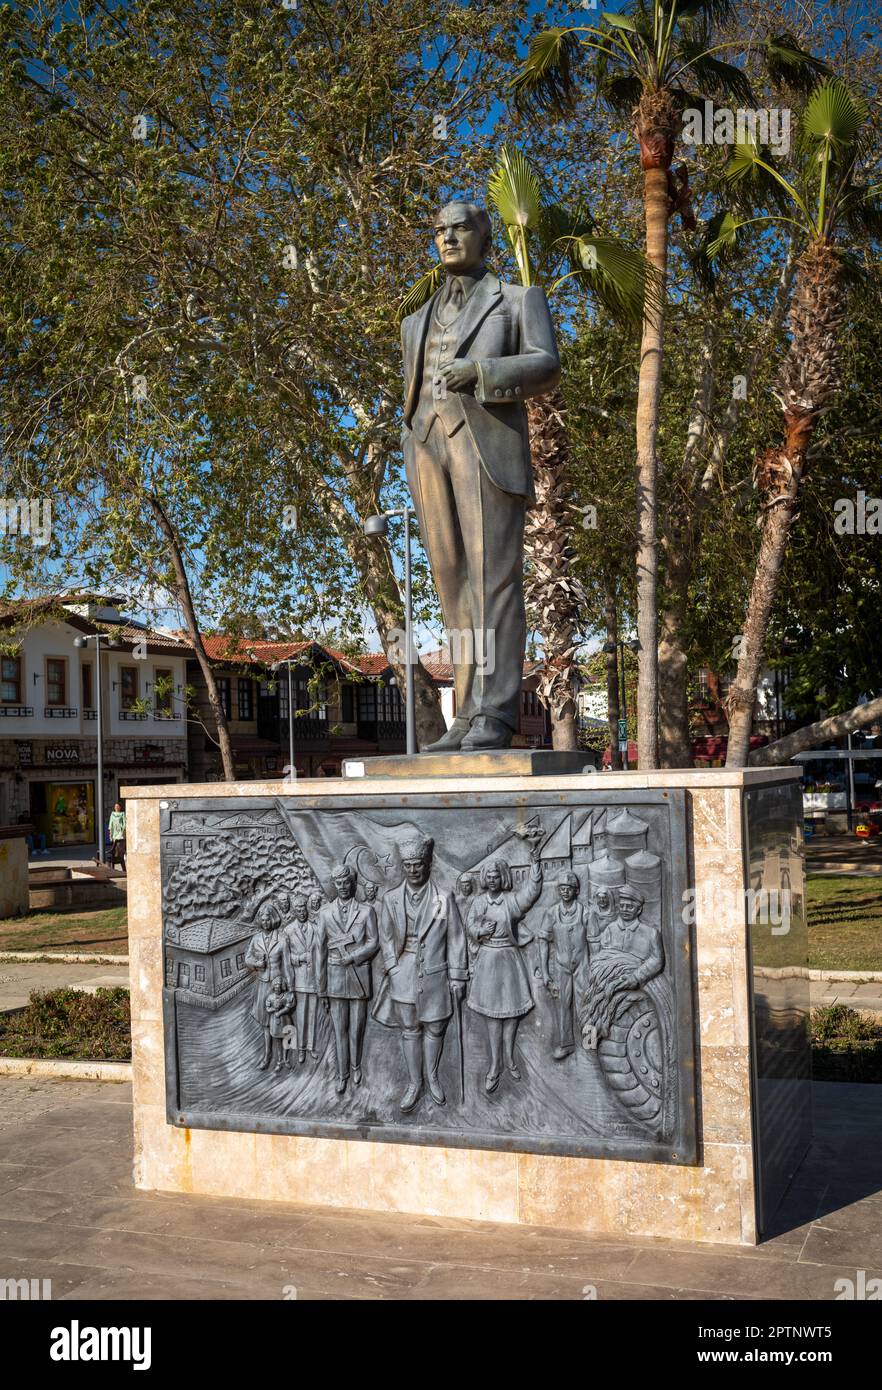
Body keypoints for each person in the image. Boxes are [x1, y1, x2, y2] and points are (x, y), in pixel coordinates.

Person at [399, 201, 561, 751]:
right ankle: (466, 715)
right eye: (438, 230)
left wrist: (484, 372)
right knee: (452, 586)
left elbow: (547, 364)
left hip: (485, 446)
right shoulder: (413, 322)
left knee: (493, 580)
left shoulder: (516, 300)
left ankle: (495, 711)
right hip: (425, 447)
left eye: (459, 227)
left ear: (484, 234)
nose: (447, 237)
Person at [373, 835, 468, 1113]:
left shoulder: (443, 897)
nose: (413, 869)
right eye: (408, 865)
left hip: (436, 974)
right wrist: (392, 967)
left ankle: (434, 1078)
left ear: (427, 864)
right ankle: (415, 1083)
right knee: (410, 1030)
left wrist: (458, 976)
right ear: (403, 866)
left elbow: (456, 938)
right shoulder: (391, 899)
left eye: (418, 864)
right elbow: (386, 936)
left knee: (435, 1028)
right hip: (403, 975)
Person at [465, 851, 543, 1092]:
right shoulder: (479, 902)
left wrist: (535, 864)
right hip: (488, 959)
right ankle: (495, 1064)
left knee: (511, 1013)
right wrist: (480, 930)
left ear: (503, 878)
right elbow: (469, 925)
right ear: (484, 879)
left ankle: (509, 1059)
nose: (492, 879)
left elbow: (530, 894)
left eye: (496, 876)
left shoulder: (510, 901)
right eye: (488, 876)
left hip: (509, 959)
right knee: (492, 1015)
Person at [314, 864, 379, 1094]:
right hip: (334, 979)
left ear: (353, 883)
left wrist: (352, 957)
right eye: (338, 883)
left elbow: (373, 942)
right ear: (334, 885)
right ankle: (342, 1074)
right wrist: (321, 989)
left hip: (359, 976)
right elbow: (319, 952)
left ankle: (356, 1066)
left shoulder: (366, 911)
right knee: (339, 1029)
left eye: (346, 882)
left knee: (357, 1028)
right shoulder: (325, 913)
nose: (342, 887)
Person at [578, 884, 664, 1047]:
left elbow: (657, 960)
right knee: (596, 1004)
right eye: (622, 906)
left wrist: (636, 977)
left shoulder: (650, 933)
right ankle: (591, 1039)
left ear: (638, 910)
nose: (625, 909)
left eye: (629, 906)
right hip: (608, 984)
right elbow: (601, 958)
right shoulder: (611, 930)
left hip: (636, 984)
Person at [536, 874, 591, 1060]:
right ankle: (566, 1044)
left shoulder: (585, 913)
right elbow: (542, 941)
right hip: (561, 966)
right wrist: (545, 973)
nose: (565, 891)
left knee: (586, 1002)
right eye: (562, 888)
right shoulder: (552, 913)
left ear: (576, 890)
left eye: (569, 888)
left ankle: (590, 1041)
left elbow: (595, 944)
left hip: (583, 965)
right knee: (563, 1004)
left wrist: (596, 971)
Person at [245, 902, 292, 1069]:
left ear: (273, 919)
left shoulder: (282, 939)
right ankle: (267, 1055)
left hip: (279, 984)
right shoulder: (256, 939)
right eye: (262, 920)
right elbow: (247, 959)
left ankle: (286, 1057)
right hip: (264, 985)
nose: (265, 922)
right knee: (266, 1023)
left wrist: (291, 989)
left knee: (284, 1022)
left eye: (268, 919)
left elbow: (287, 965)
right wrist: (257, 964)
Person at [284, 894, 319, 1063]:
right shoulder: (288, 930)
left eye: (303, 908)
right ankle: (300, 1049)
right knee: (299, 1017)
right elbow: (285, 957)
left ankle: (311, 1046)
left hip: (313, 980)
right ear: (294, 910)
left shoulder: (316, 928)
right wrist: (299, 958)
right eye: (298, 909)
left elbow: (321, 953)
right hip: (297, 981)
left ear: (307, 908)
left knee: (312, 1015)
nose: (301, 911)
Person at [264, 975, 295, 1073]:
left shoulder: (287, 996)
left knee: (286, 1040)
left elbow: (289, 1007)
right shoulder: (270, 997)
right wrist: (274, 1009)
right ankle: (279, 1061)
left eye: (279, 987)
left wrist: (280, 1012)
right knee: (278, 1042)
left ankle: (286, 1059)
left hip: (285, 1020)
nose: (277, 988)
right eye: (276, 987)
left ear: (282, 987)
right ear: (273, 987)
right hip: (275, 1022)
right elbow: (268, 1009)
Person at [108, 802, 126, 873]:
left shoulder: (122, 814)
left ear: (120, 807)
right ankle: (117, 858)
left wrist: (123, 831)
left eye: (118, 806)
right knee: (115, 847)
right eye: (115, 806)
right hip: (114, 833)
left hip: (120, 833)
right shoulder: (112, 814)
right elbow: (111, 823)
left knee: (119, 847)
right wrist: (110, 832)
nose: (116, 808)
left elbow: (124, 823)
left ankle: (119, 858)